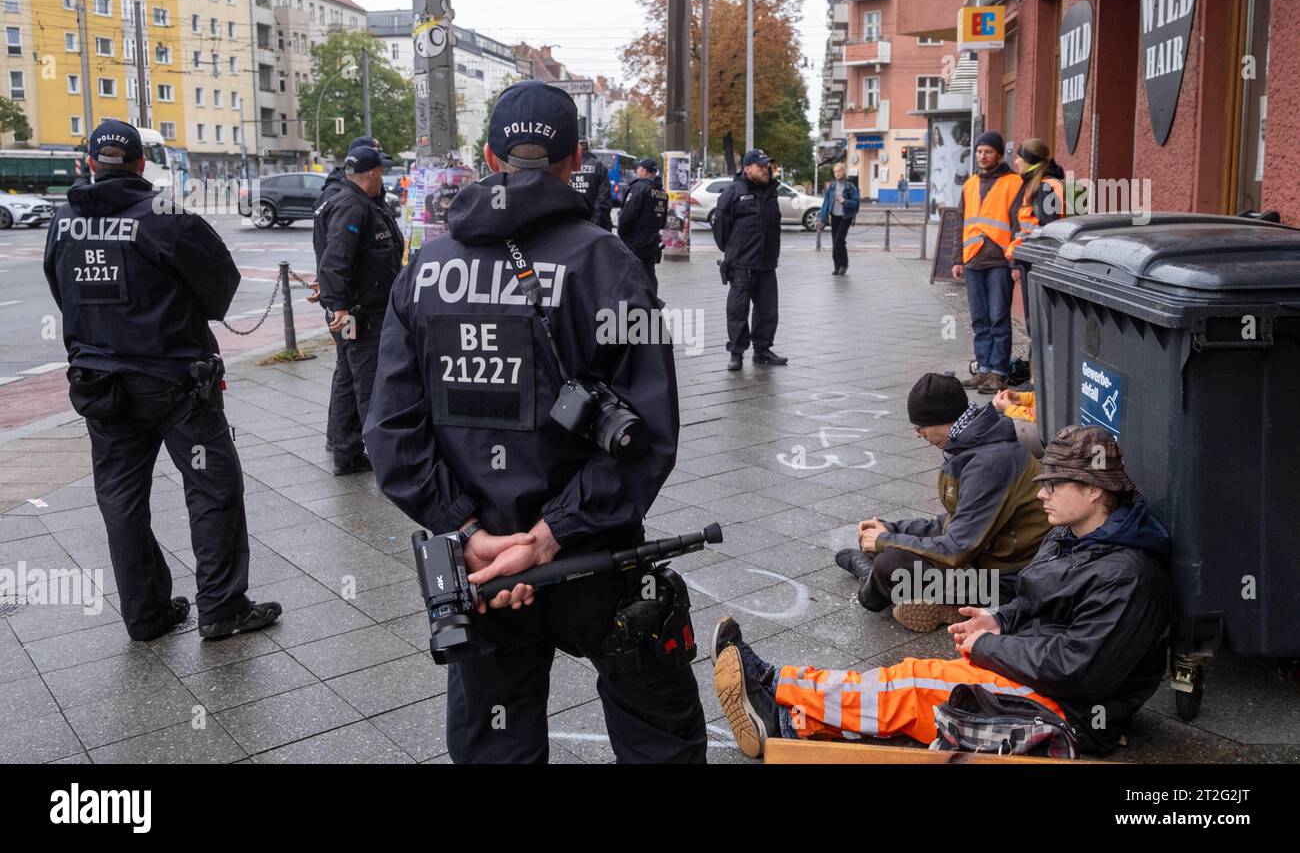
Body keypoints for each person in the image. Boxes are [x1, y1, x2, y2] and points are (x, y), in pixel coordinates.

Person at [363, 80, 707, 764]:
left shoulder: (426, 270)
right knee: (657, 729)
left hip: (480, 570)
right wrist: (550, 537)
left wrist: (466, 531)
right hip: (594, 555)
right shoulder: (608, 266)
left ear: (487, 157)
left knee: (496, 743)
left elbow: (390, 433)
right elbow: (647, 434)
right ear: (577, 159)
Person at [714, 425, 1174, 758]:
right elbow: (1035, 598)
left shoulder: (1128, 575)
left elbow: (1081, 671)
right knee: (919, 688)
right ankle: (792, 717)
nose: (1042, 494)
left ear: (1094, 491)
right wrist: (1000, 620)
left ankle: (778, 687)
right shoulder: (1072, 533)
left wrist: (991, 644)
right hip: (1039, 666)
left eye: (1053, 484)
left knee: (919, 684)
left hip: (1070, 711)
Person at [43, 120, 280, 642]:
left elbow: (61, 291)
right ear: (140, 164)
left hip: (100, 385)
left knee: (121, 501)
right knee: (212, 488)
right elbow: (222, 285)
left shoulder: (63, 222)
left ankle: (146, 615)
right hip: (175, 381)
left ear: (89, 164)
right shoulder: (165, 216)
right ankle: (221, 607)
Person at [834, 373, 1050, 631]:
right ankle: (941, 601)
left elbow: (957, 548)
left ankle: (869, 585)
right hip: (986, 558)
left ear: (942, 421)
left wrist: (885, 541)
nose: (918, 434)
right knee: (896, 557)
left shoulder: (988, 461)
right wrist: (894, 528)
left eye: (920, 426)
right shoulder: (970, 444)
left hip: (1011, 581)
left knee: (891, 567)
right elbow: (954, 521)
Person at [314, 146, 403, 476]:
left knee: (349, 379)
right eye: (381, 172)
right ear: (374, 174)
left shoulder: (354, 201)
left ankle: (347, 452)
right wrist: (337, 304)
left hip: (357, 309)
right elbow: (336, 256)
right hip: (361, 314)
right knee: (369, 386)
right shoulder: (353, 206)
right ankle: (384, 463)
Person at [952, 131, 1021, 394]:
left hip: (999, 261)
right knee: (979, 320)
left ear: (999, 154)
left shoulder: (1013, 182)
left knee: (998, 319)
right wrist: (957, 259)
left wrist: (1015, 262)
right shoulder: (970, 184)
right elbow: (961, 223)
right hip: (972, 260)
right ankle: (983, 369)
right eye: (979, 151)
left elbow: (1018, 224)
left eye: (988, 151)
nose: (982, 156)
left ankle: (998, 373)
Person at [713, 149, 787, 372]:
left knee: (767, 310)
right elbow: (721, 228)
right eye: (761, 166)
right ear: (747, 168)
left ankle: (762, 350)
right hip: (742, 263)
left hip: (766, 263)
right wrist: (733, 251)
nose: (766, 170)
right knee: (738, 310)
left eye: (767, 166)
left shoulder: (771, 192)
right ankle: (736, 353)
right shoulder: (734, 192)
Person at [1006, 137, 1066, 332]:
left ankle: (1039, 362)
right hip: (1037, 264)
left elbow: (1049, 231)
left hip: (1040, 266)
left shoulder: (1043, 188)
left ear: (1029, 161)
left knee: (1039, 324)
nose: (1015, 162)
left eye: (1019, 158)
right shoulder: (1046, 184)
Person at [617, 157, 668, 295]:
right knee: (649, 274)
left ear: (645, 172)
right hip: (652, 242)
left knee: (631, 275)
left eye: (638, 169)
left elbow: (627, 216)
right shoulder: (662, 193)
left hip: (635, 241)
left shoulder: (639, 188)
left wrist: (622, 235)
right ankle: (652, 303)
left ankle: (635, 306)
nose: (636, 171)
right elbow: (662, 221)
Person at [819, 162, 860, 276]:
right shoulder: (832, 186)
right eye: (835, 171)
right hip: (835, 216)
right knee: (835, 242)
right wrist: (822, 219)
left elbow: (856, 203)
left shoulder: (850, 186)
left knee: (839, 241)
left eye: (839, 171)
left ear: (844, 171)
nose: (837, 173)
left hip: (846, 217)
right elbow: (826, 204)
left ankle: (844, 264)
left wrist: (845, 201)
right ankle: (837, 266)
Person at [570, 137, 613, 231]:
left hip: (572, 227)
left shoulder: (567, 167)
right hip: (596, 228)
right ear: (588, 147)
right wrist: (594, 224)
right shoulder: (599, 166)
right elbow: (604, 200)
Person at [993, 387, 1043, 457]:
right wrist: (1021, 398)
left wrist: (1010, 408)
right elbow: (1046, 397)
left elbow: (1044, 418)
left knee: (1008, 428)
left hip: (1052, 436)